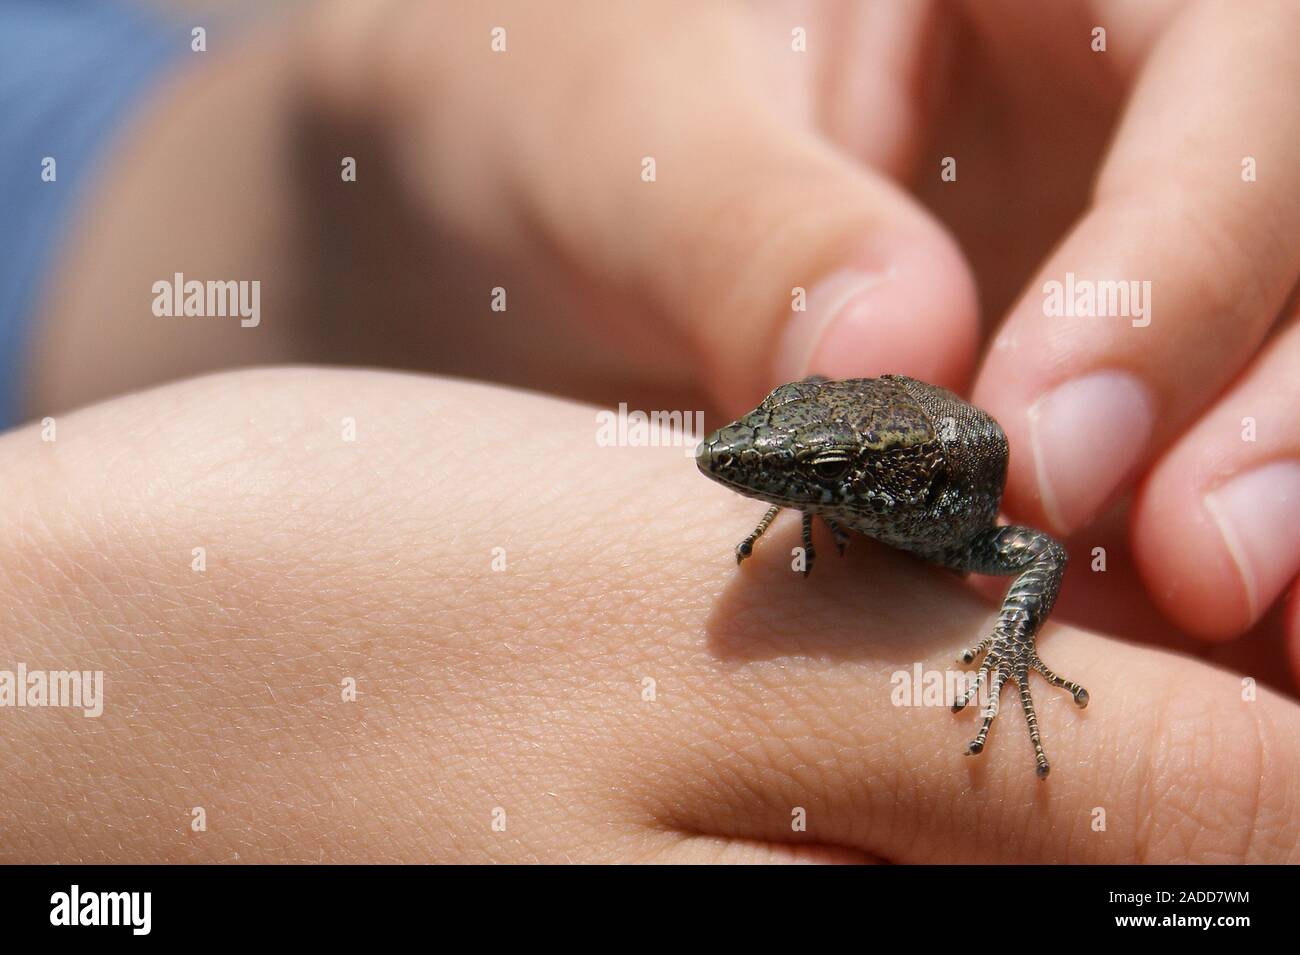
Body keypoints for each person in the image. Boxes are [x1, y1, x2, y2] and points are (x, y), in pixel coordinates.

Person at [0, 0, 1296, 863]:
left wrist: (302, 203)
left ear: (876, 479)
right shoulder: (822, 461)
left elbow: (1036, 557)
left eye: (807, 473)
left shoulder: (946, 496)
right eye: (787, 465)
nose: (744, 468)